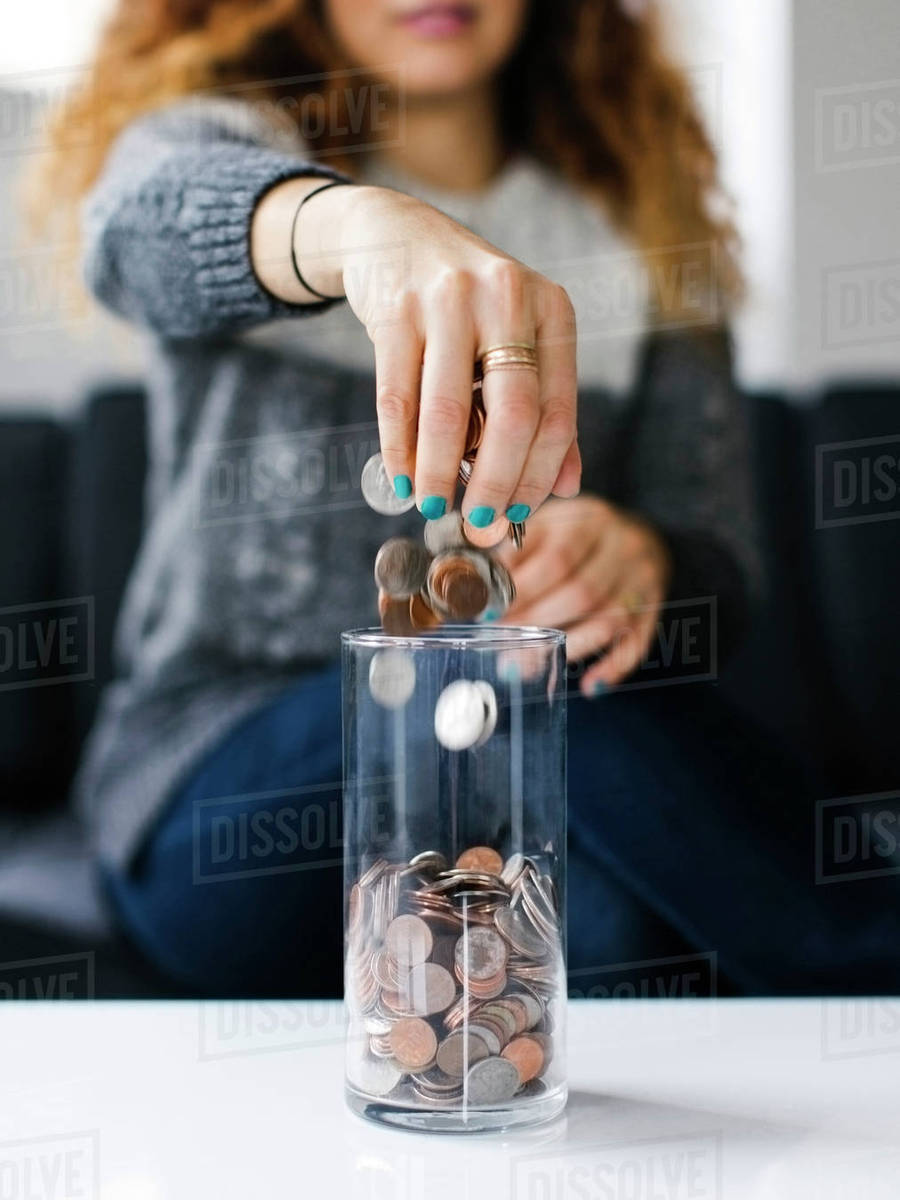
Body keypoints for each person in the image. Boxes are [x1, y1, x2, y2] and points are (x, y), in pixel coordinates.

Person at [32, 0, 895, 999]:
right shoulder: (233, 148)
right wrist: (349, 226)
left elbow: (719, 561)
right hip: (223, 803)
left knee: (607, 920)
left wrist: (645, 561)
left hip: (523, 803)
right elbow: (138, 228)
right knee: (491, 668)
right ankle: (869, 955)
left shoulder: (640, 231)